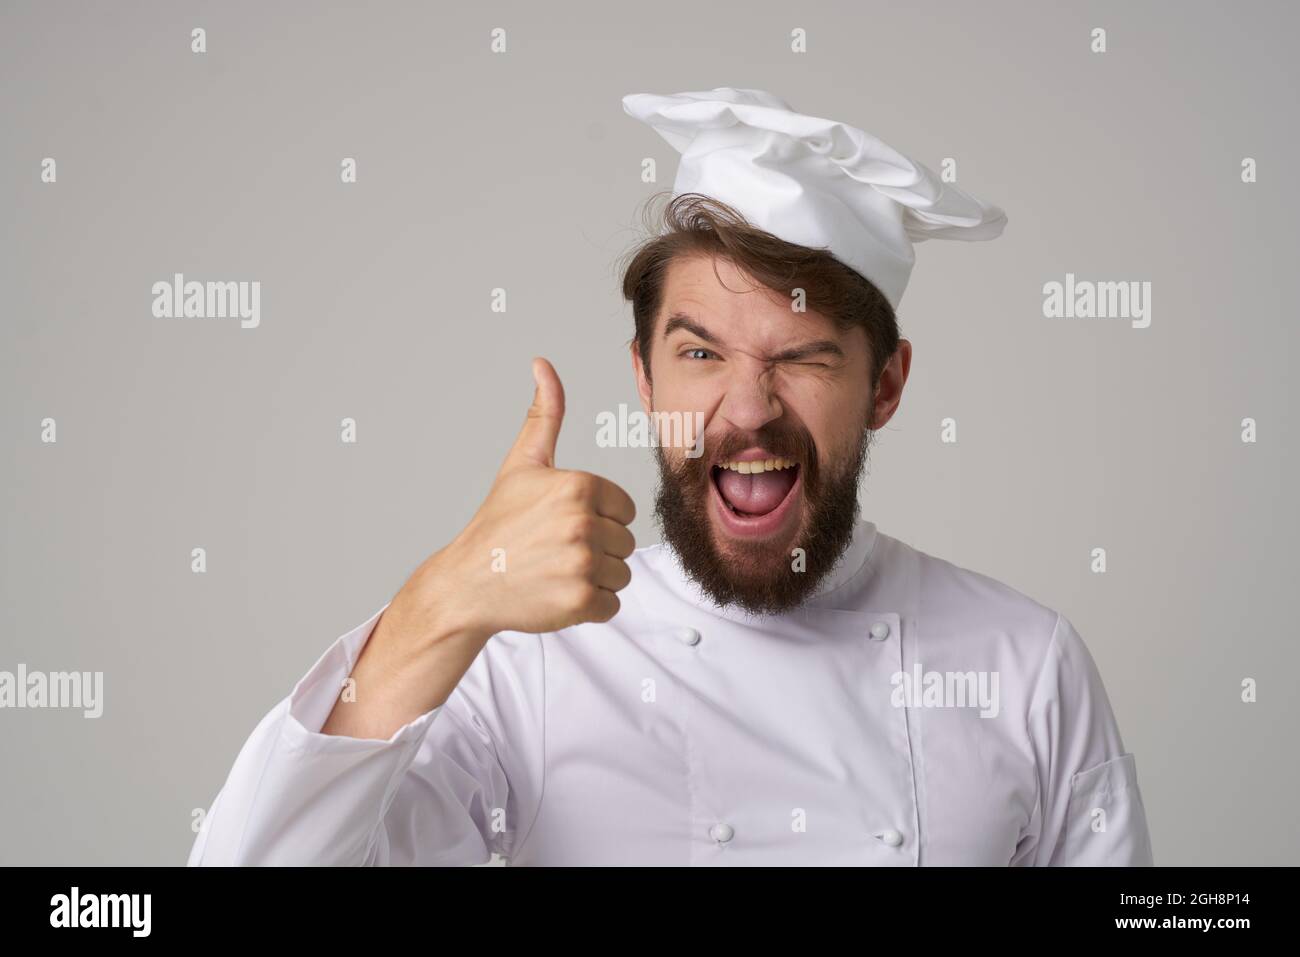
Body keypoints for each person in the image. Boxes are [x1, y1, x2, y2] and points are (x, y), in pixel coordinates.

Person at [188, 88, 1153, 866]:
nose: (747, 408)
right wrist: (442, 601)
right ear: (644, 379)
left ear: (885, 386)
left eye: (805, 358)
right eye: (701, 355)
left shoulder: (1027, 665)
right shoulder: (530, 666)